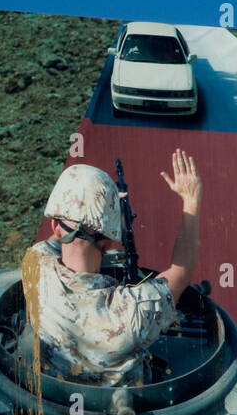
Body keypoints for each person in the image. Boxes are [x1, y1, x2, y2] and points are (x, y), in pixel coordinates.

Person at [23, 148, 202, 386]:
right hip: (125, 414)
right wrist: (191, 200)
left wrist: (100, 213)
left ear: (55, 225)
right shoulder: (132, 312)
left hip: (58, 397)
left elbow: (53, 240)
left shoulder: (36, 270)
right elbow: (181, 274)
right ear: (108, 241)